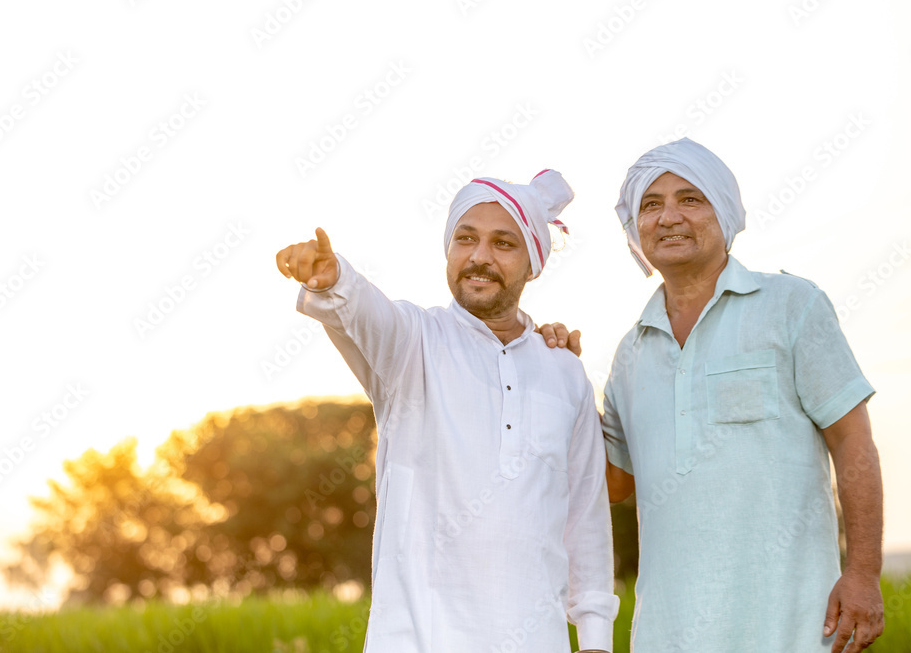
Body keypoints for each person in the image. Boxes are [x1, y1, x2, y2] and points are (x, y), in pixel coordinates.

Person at [276, 170, 618, 652]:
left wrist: (597, 642)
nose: (479, 256)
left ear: (533, 264)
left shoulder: (565, 373)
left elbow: (585, 515)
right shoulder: (413, 343)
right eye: (465, 238)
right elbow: (366, 312)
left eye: (503, 243)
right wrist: (335, 279)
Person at [601, 138, 885, 652]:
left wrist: (863, 572)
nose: (668, 217)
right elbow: (612, 484)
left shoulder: (791, 305)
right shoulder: (629, 353)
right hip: (669, 635)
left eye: (690, 199)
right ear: (634, 228)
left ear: (724, 212)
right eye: (651, 203)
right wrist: (542, 362)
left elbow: (852, 441)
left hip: (793, 628)